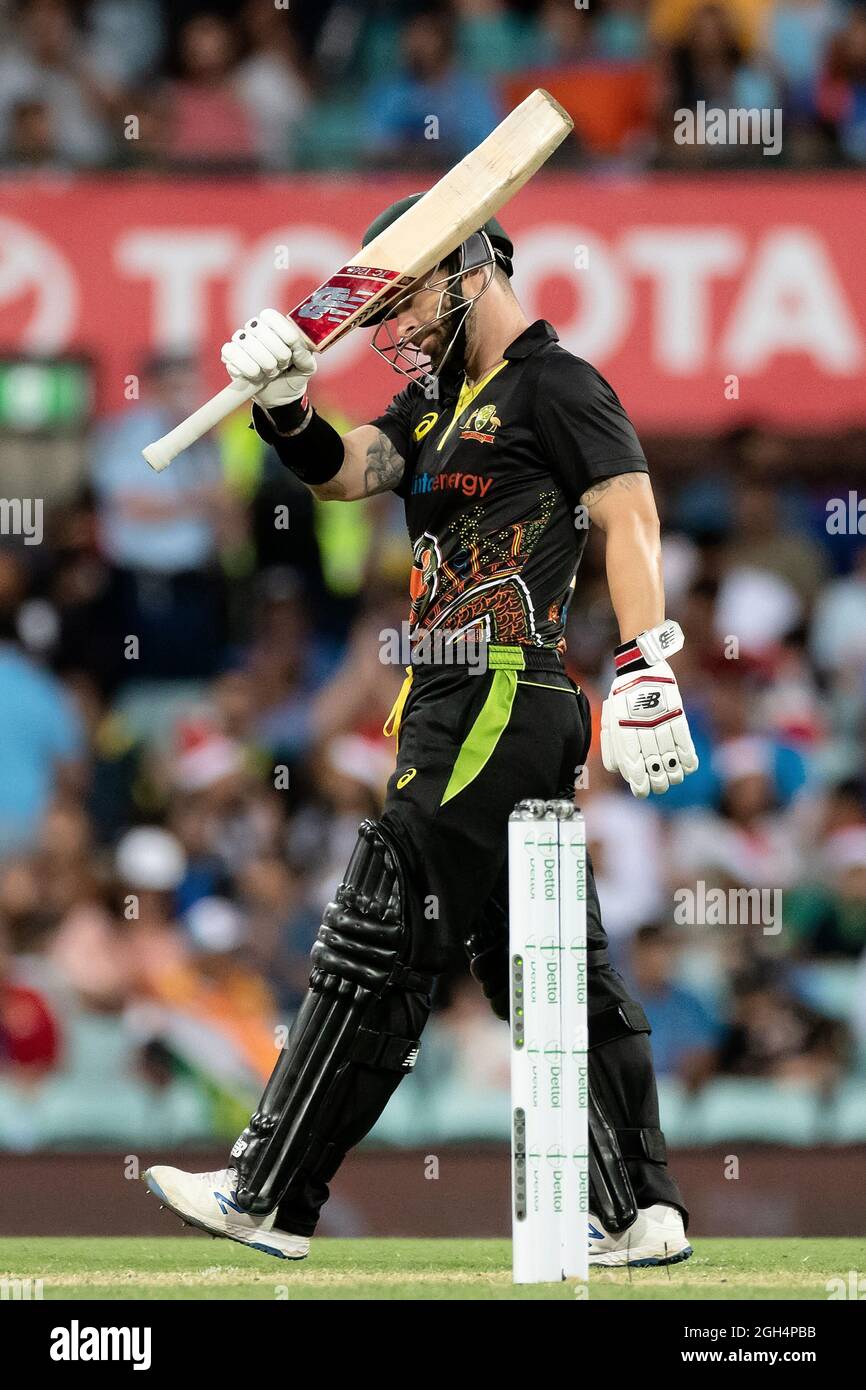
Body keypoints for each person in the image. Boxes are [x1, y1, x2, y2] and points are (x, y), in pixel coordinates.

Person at [144, 198, 699, 1267]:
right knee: (548, 967)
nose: (393, 319)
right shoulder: (436, 402)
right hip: (455, 700)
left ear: (473, 269)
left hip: (494, 688)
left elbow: (626, 512)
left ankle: (269, 1190)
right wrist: (285, 406)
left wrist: (641, 660)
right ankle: (639, 1208)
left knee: (378, 920)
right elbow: (349, 468)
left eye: (407, 292)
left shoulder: (556, 381)